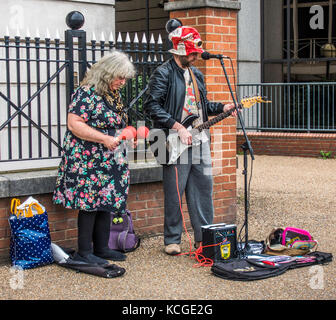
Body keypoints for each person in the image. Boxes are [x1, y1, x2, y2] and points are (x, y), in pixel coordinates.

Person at [144, 24, 237, 255]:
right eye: (193, 53)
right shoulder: (163, 73)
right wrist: (177, 127)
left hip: (199, 138)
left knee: (203, 189)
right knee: (175, 191)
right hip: (173, 140)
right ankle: (172, 239)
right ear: (181, 51)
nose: (196, 56)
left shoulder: (196, 74)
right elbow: (151, 105)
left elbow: (202, 106)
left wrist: (223, 107)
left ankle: (203, 237)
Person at [53, 50, 136, 265]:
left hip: (109, 158)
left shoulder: (111, 95)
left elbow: (115, 124)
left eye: (125, 77)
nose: (122, 81)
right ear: (107, 73)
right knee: (89, 204)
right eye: (120, 77)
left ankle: (101, 248)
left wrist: (127, 135)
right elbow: (75, 124)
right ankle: (84, 252)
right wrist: (104, 139)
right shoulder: (86, 93)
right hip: (88, 159)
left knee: (105, 202)